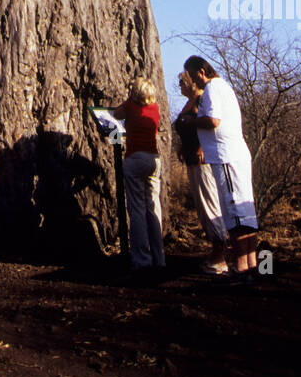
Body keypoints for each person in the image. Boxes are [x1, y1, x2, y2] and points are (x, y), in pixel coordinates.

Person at [178, 56, 259, 279]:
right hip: (235, 155)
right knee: (245, 212)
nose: (196, 82)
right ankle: (251, 266)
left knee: (235, 213)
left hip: (226, 157)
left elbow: (213, 121)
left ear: (203, 71)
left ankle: (241, 268)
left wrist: (191, 122)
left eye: (195, 77)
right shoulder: (224, 87)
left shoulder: (213, 88)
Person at [174, 70, 229, 274]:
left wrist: (202, 148)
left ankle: (220, 255)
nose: (180, 85)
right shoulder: (189, 104)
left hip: (203, 161)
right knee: (202, 207)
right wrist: (183, 147)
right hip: (190, 160)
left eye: (183, 82)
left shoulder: (202, 101)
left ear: (193, 83)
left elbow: (211, 125)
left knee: (210, 205)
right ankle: (216, 250)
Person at [110, 76, 165, 272]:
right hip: (154, 159)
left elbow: (115, 115)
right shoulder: (156, 108)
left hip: (135, 158)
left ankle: (142, 259)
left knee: (138, 210)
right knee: (153, 208)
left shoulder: (130, 106)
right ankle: (159, 257)